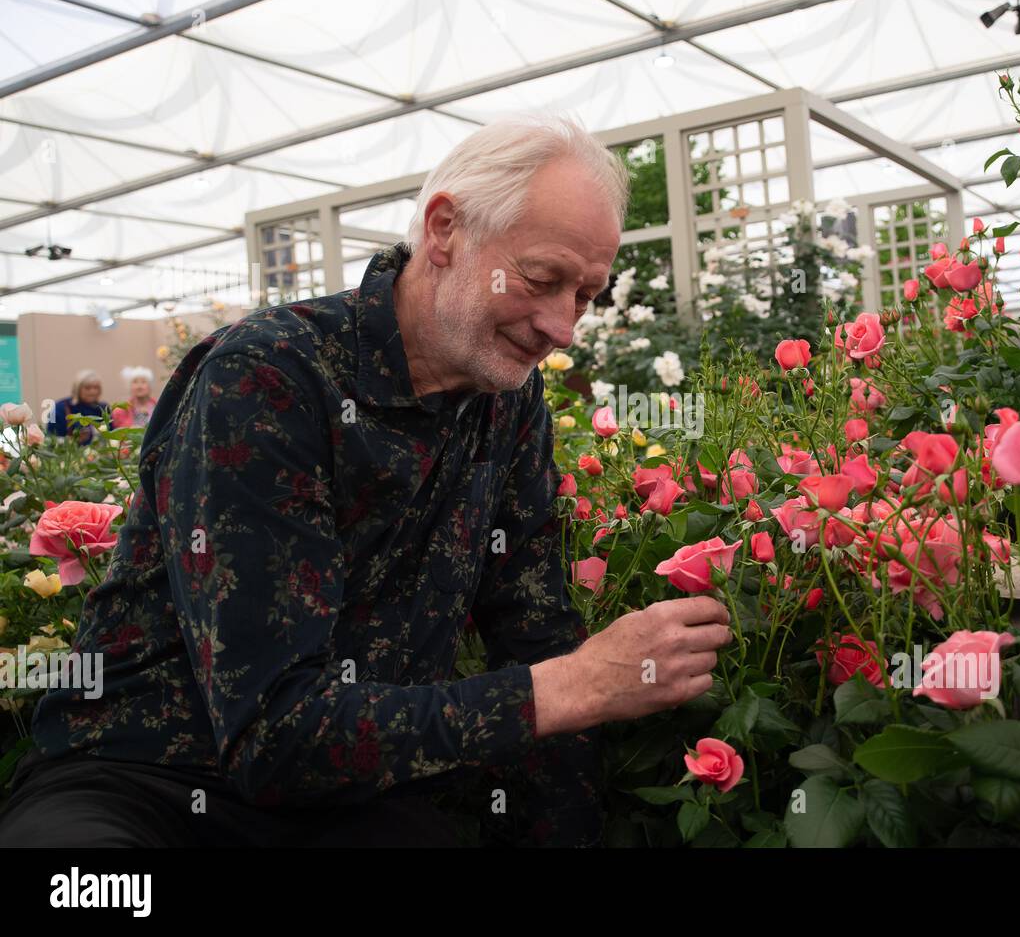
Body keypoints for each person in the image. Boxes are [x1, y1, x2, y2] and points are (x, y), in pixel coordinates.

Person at [0, 116, 732, 848]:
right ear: (445, 230)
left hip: (350, 794)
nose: (563, 326)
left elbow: (533, 636)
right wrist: (580, 685)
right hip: (140, 784)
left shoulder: (507, 405)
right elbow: (273, 733)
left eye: (586, 294)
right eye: (542, 280)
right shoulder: (269, 376)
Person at [46, 370, 108, 445]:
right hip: (69, 455)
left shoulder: (104, 408)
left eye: (96, 388)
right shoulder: (60, 408)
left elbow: (111, 434)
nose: (92, 392)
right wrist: (74, 440)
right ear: (77, 389)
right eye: (87, 388)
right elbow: (50, 439)